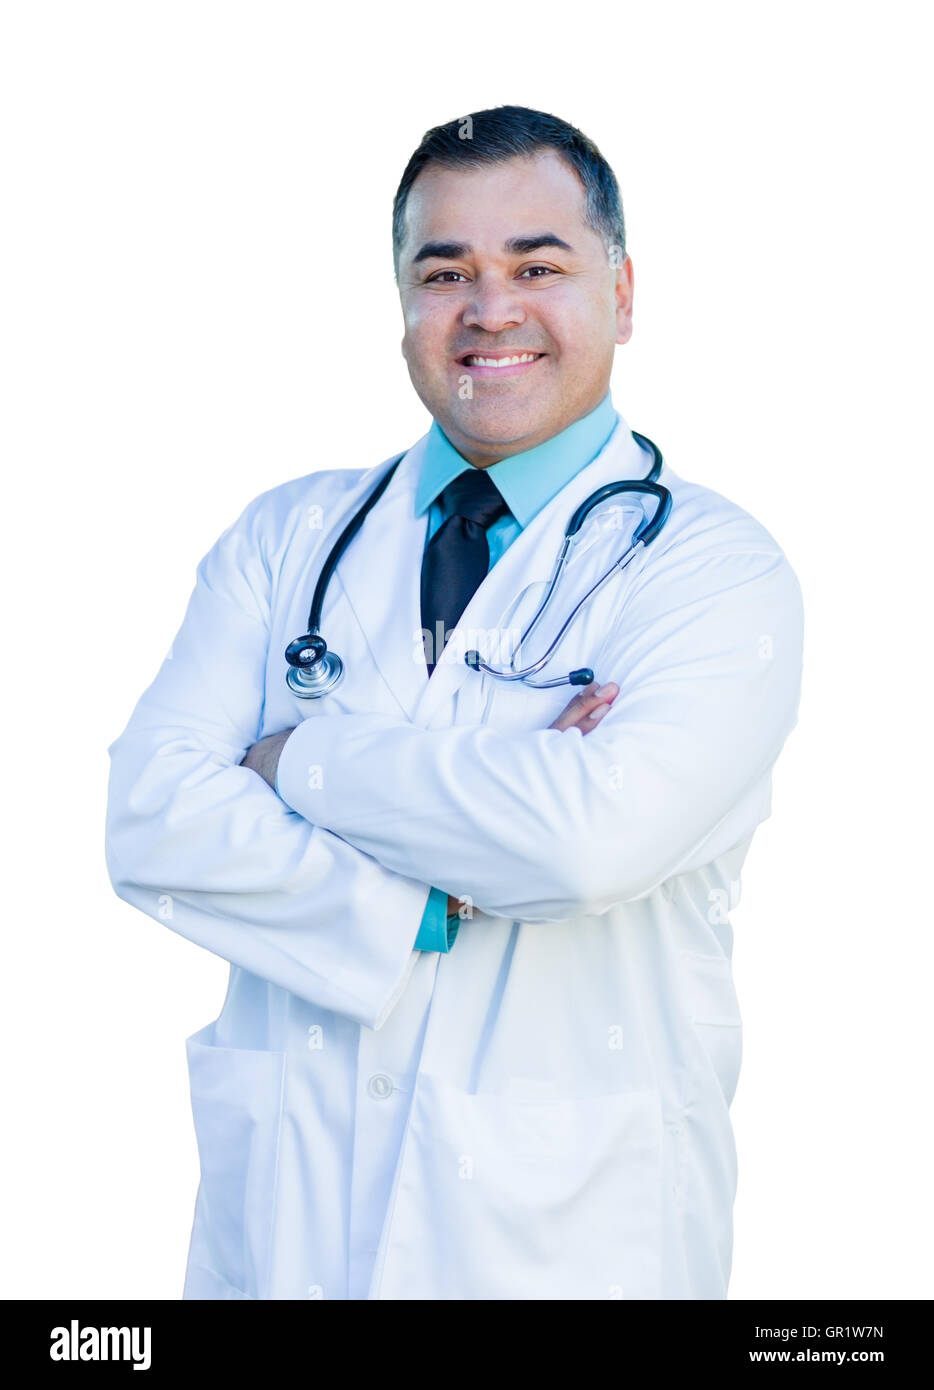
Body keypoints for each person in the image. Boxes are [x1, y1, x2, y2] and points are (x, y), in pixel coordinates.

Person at [105, 104, 804, 1301]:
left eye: (538, 265)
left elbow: (586, 844)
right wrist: (432, 900)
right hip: (288, 1239)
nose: (490, 311)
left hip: (565, 1245)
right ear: (403, 306)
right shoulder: (288, 538)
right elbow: (150, 818)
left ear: (623, 293)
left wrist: (292, 760)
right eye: (447, 273)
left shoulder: (711, 567)